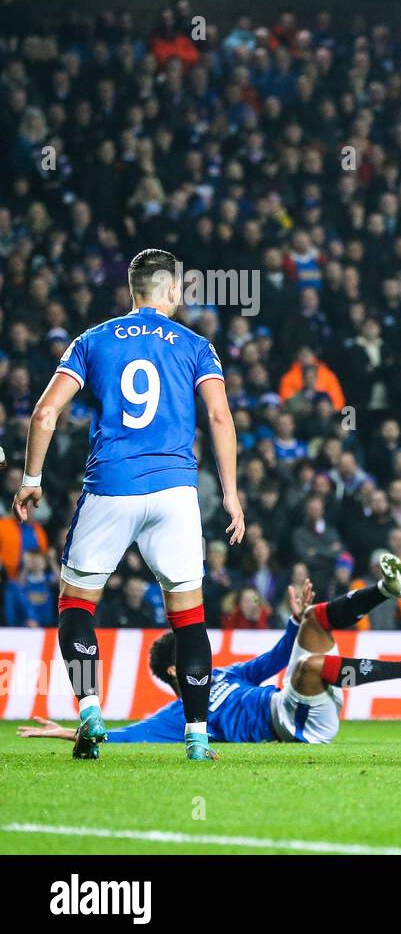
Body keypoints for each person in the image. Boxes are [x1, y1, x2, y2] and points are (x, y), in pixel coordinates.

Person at [12, 249, 245, 762]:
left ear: (131, 291)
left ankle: (91, 710)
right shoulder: (196, 346)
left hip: (111, 487)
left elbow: (46, 413)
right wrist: (229, 493)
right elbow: (221, 418)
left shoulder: (91, 341)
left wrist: (32, 479)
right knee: (188, 617)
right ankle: (198, 737)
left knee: (77, 604)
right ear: (168, 292)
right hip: (175, 493)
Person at [18, 555, 401, 752]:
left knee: (317, 618)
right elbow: (126, 737)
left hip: (295, 701)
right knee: (309, 667)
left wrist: (294, 620)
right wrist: (66, 732)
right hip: (294, 727)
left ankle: (384, 589)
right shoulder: (178, 715)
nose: (200, 658)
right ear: (175, 669)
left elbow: (274, 660)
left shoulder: (224, 675)